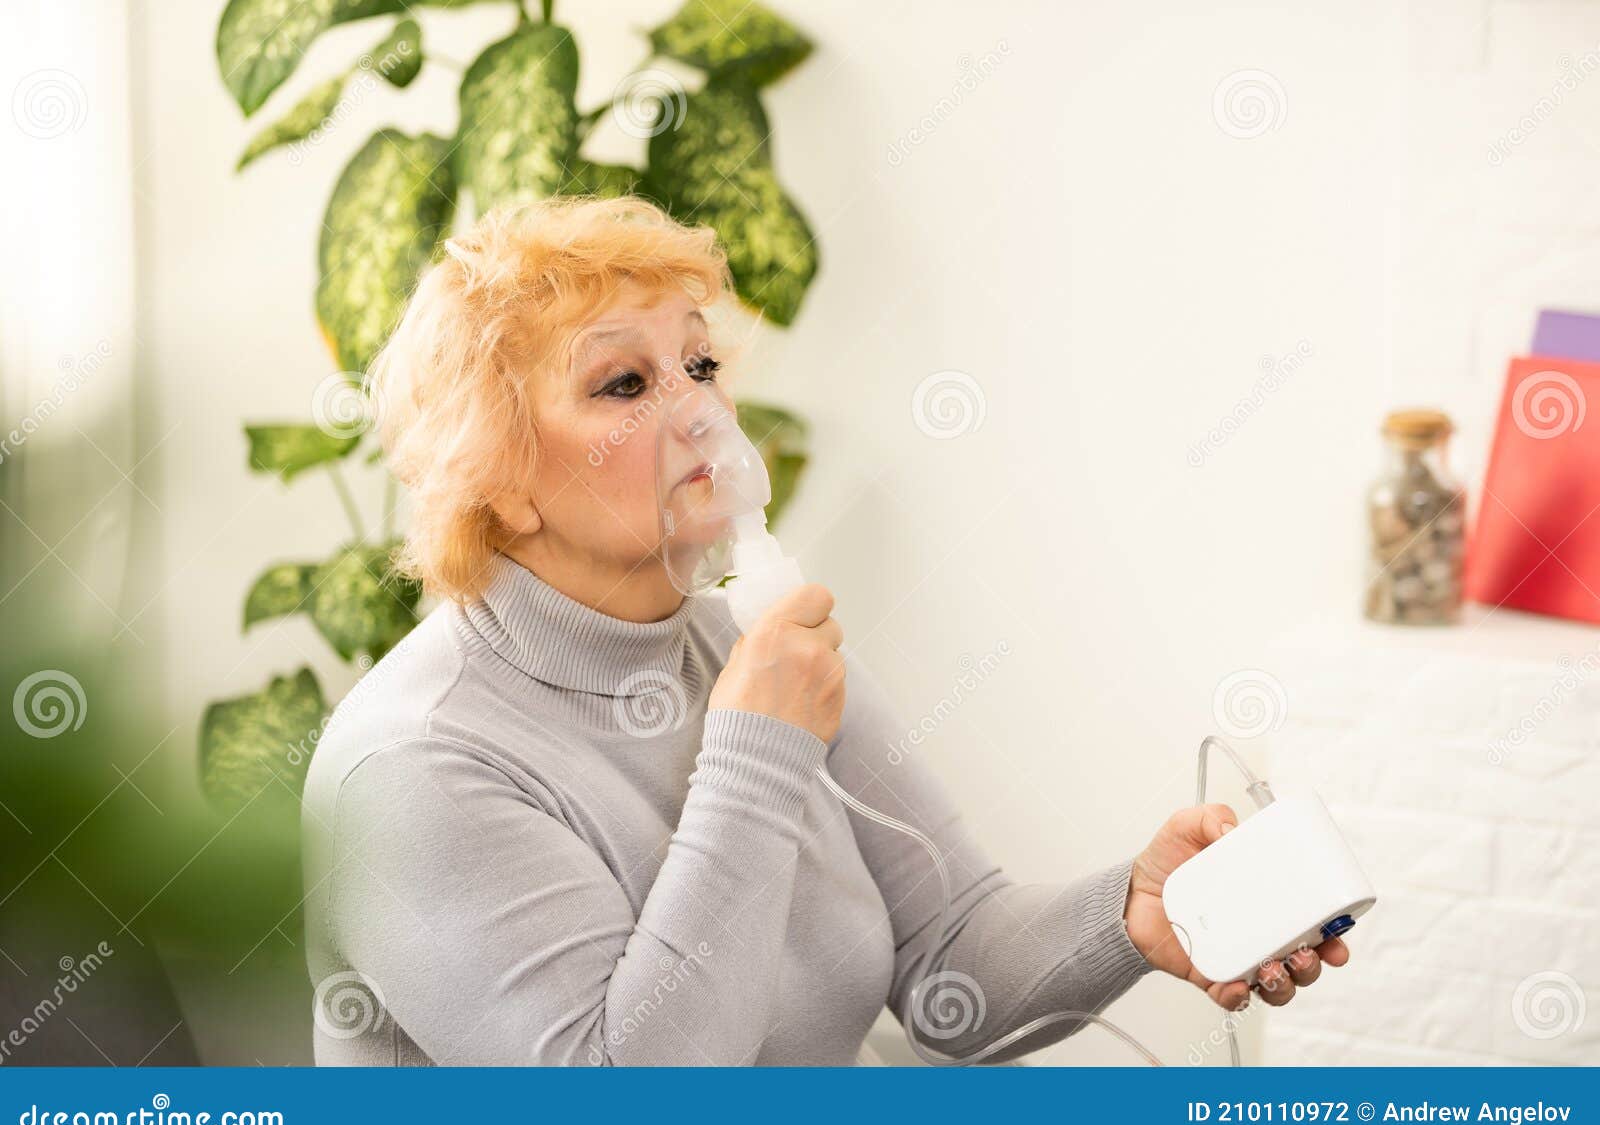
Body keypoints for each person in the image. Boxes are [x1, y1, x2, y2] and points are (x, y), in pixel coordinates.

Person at [300, 196, 1347, 1066]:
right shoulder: (414, 765)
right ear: (499, 478)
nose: (696, 412)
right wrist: (754, 754)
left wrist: (1132, 911)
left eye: (698, 366)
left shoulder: (749, 653)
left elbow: (953, 965)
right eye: (624, 382)